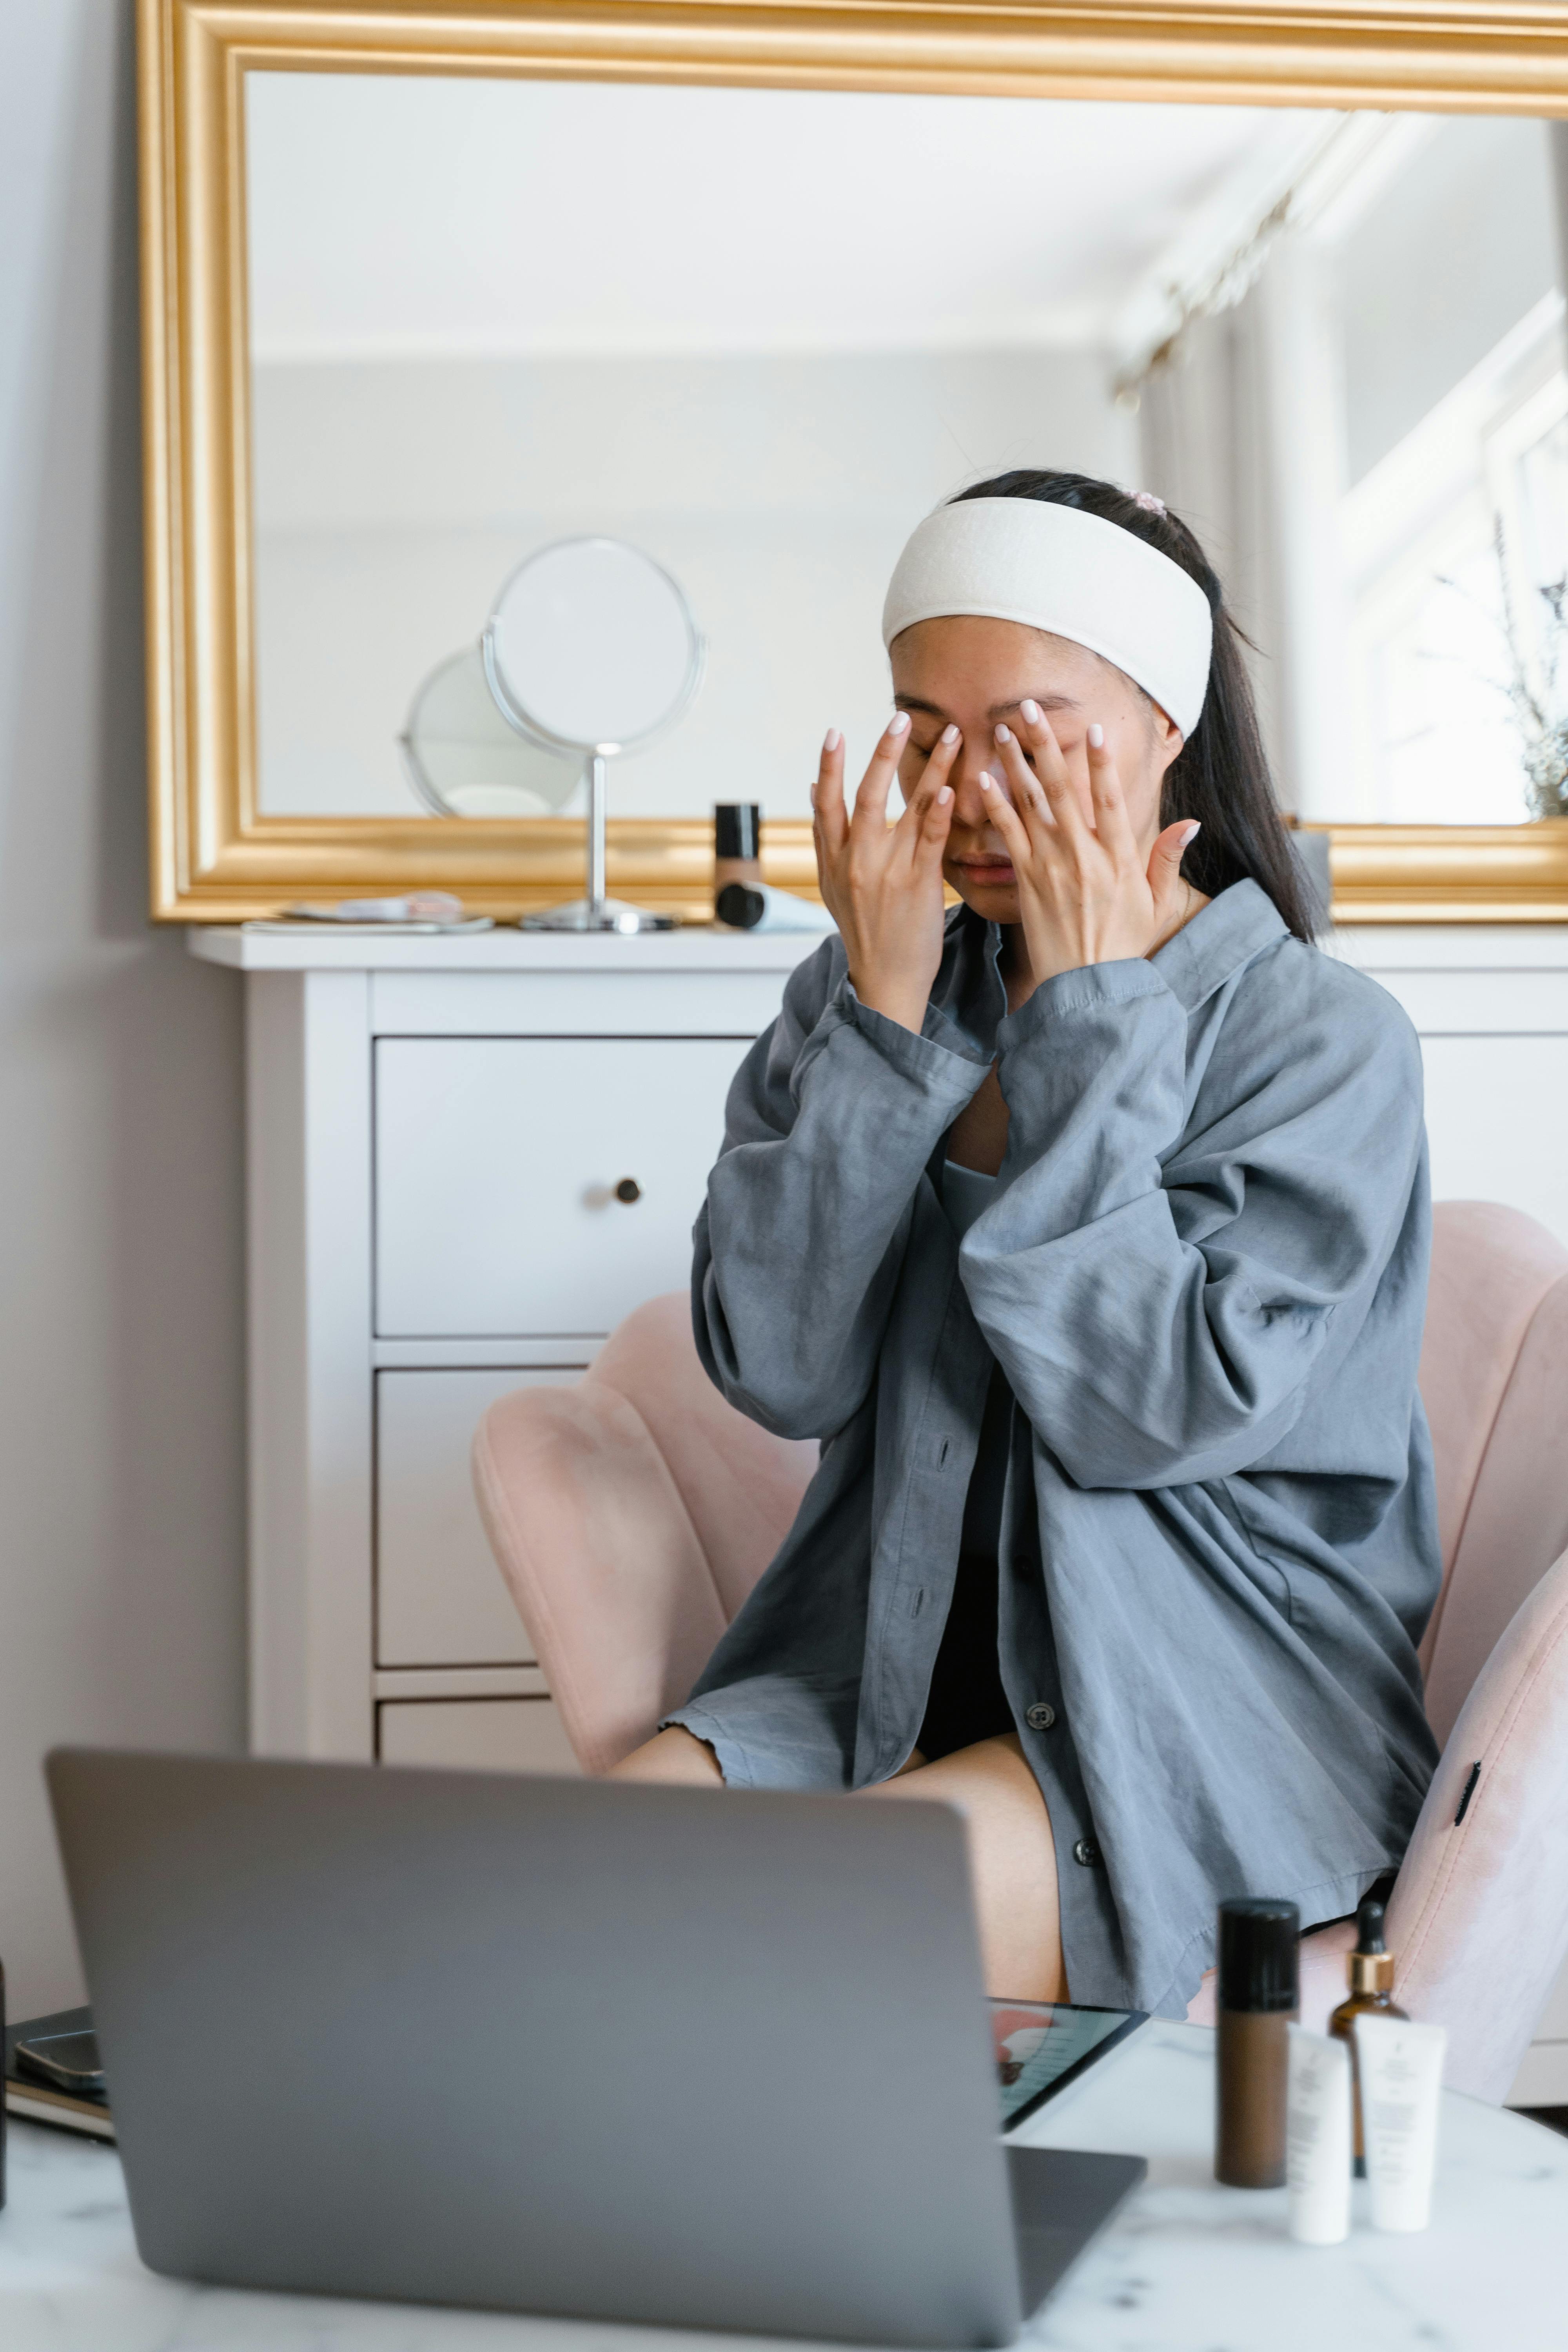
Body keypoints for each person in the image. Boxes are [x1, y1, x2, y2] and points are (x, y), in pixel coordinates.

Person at [612, 470, 1441, 2019]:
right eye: (923, 732)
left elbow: (1145, 1415)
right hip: (878, 1668)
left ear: (1163, 729)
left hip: (1197, 1698)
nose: (970, 791)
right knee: (569, 1892)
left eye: (1032, 732)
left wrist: (1090, 1022)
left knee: (785, 1951)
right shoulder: (879, 975)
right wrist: (877, 1015)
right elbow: (777, 1372)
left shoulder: (1321, 1041)